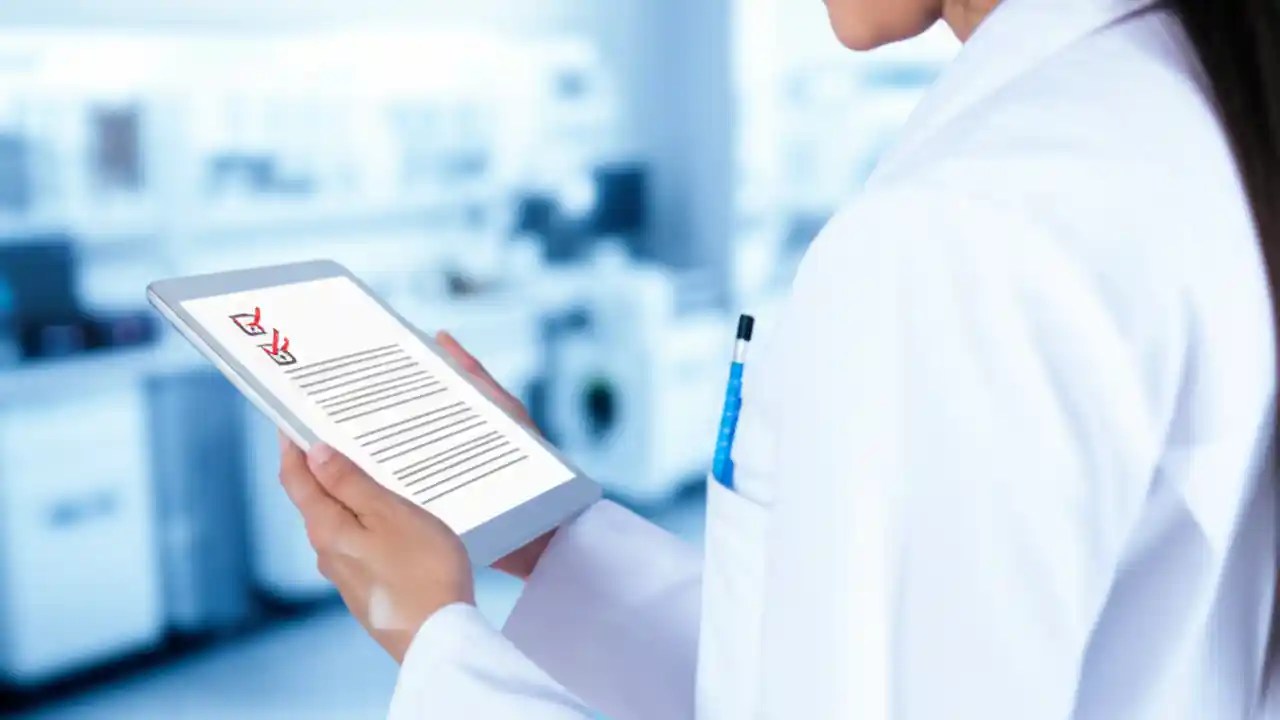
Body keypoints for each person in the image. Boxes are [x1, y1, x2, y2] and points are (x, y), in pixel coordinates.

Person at [275, 0, 1280, 716]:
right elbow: (837, 663)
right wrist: (554, 538)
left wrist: (438, 643)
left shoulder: (960, 230)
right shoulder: (1179, 116)